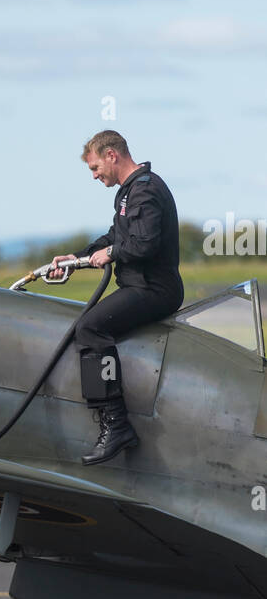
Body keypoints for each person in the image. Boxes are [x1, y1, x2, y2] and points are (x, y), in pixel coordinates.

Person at [50, 131, 183, 465]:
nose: (95, 175)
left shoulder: (146, 189)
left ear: (111, 155)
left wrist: (111, 252)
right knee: (91, 324)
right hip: (139, 287)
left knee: (91, 329)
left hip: (155, 289)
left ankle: (116, 424)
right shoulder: (130, 192)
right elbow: (117, 236)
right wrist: (76, 258)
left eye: (95, 167)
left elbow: (144, 244)